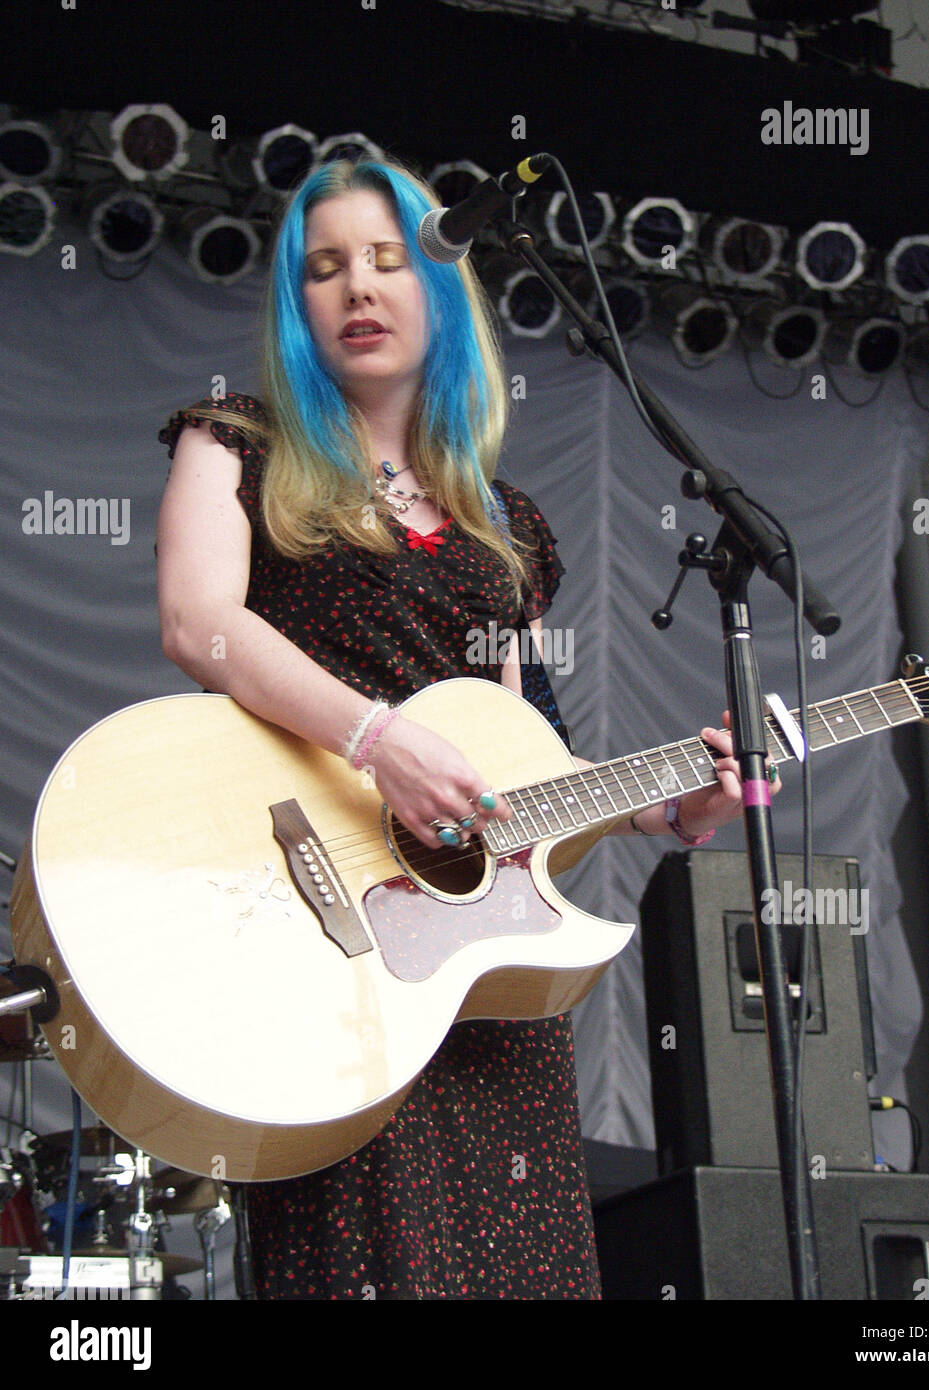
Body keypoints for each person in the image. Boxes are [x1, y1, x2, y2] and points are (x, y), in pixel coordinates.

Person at [156, 156, 758, 1300]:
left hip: (482, 974)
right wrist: (377, 742)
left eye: (387, 260)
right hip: (324, 938)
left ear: (442, 292)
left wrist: (675, 802)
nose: (358, 288)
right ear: (297, 308)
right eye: (324, 269)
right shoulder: (233, 441)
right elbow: (199, 623)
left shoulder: (503, 523)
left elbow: (529, 750)